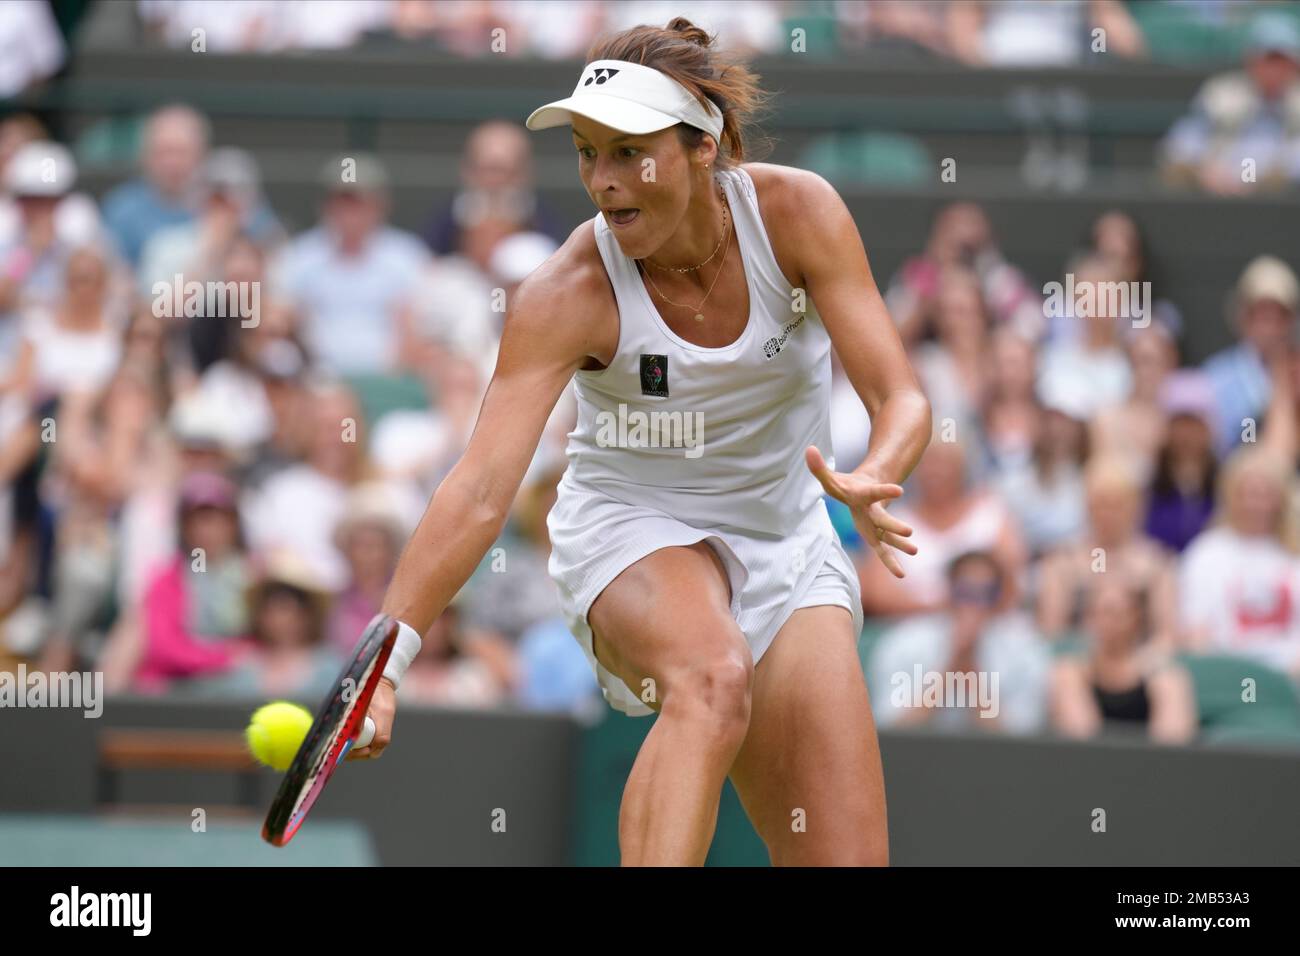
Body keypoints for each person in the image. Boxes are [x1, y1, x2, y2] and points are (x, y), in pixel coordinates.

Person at [354, 19, 931, 867]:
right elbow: (480, 489)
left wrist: (880, 470)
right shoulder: (565, 292)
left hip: (788, 541)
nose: (604, 181)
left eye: (630, 152)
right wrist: (387, 660)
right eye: (589, 153)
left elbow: (902, 395)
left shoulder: (800, 213)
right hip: (633, 528)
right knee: (710, 677)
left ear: (704, 146)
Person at [1049, 576, 1197, 745]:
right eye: (1095, 612)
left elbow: (1172, 745)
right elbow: (1081, 740)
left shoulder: (1167, 677)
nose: (1105, 621)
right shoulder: (1068, 672)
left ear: (1136, 617)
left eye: (1114, 612)